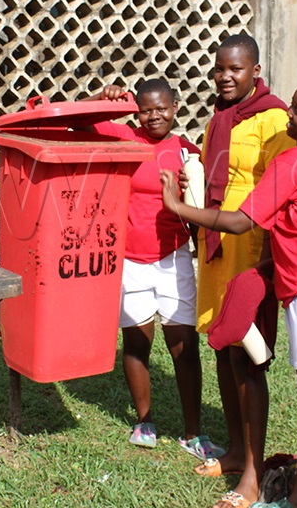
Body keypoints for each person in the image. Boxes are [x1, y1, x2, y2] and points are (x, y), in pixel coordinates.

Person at [160, 79, 297, 508]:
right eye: (292, 105)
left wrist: (178, 208)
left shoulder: (294, 160)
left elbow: (239, 222)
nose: (288, 115)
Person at [84, 79, 225, 461]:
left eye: (162, 108)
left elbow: (208, 193)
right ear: (137, 111)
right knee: (136, 344)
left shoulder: (184, 152)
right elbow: (76, 125)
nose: (154, 115)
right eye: (146, 109)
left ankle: (193, 432)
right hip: (129, 260)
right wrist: (100, 98)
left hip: (173, 260)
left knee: (184, 348)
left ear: (175, 107)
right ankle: (144, 421)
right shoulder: (123, 140)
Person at [189, 33, 294, 508]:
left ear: (255, 70)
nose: (225, 77)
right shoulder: (219, 118)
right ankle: (235, 450)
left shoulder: (274, 119)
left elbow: (281, 193)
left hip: (249, 247)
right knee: (221, 347)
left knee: (248, 358)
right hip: (216, 246)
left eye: (235, 69)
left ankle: (253, 474)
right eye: (219, 69)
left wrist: (271, 263)